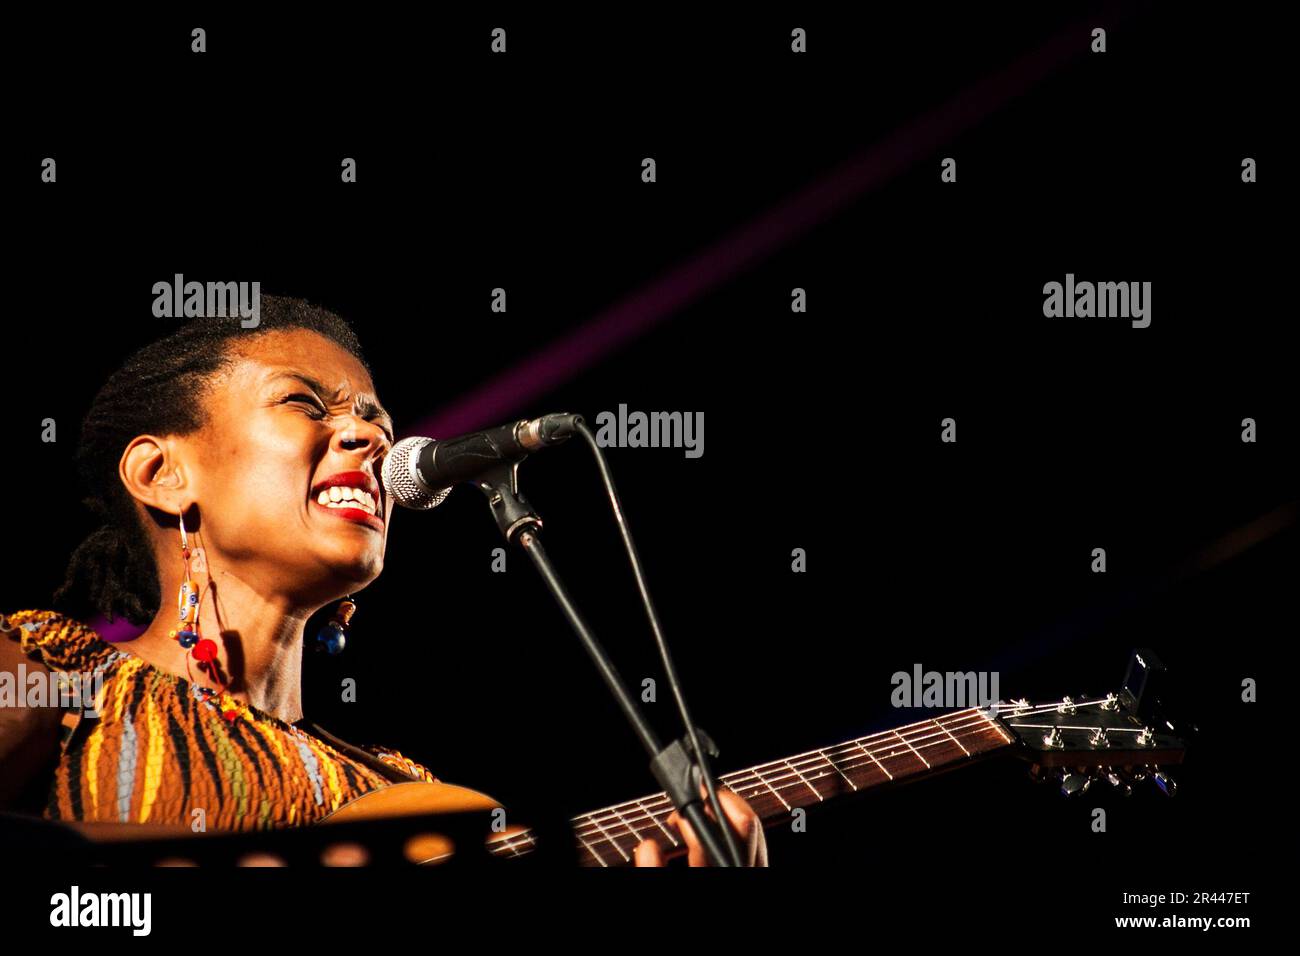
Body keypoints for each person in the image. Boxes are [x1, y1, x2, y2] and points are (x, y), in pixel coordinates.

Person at [0, 296, 765, 866]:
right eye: (304, 403)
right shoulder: (47, 671)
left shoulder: (415, 797)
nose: (370, 437)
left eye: (379, 423)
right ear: (162, 473)